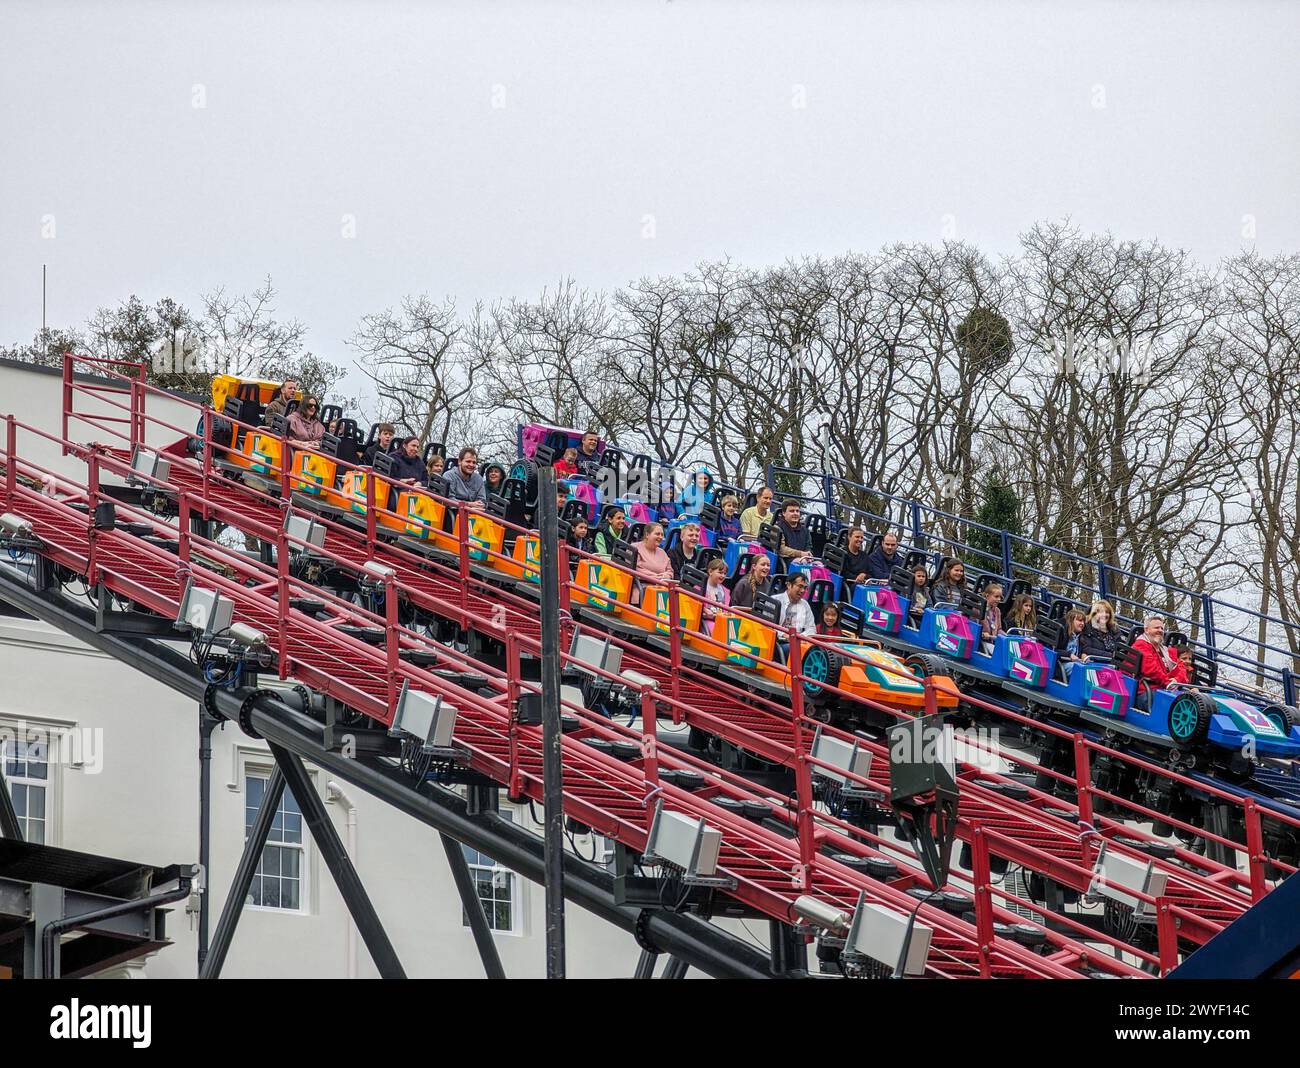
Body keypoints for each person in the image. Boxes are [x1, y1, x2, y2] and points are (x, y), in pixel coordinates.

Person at [1129, 615, 1189, 694]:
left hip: (1166, 689)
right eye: (1156, 628)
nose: (1160, 630)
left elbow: (1182, 667)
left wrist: (1176, 680)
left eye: (1162, 628)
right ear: (1146, 630)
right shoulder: (1141, 645)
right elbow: (1152, 671)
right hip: (1148, 691)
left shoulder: (1166, 650)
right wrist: (1168, 683)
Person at [776, 573, 816, 661]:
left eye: (805, 588)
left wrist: (800, 637)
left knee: (816, 652)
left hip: (799, 641)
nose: (802, 590)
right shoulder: (775, 600)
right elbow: (769, 626)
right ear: (789, 585)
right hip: (779, 642)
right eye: (800, 586)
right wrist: (785, 635)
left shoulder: (805, 604)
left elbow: (812, 629)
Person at [840, 527, 872, 595]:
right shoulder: (842, 553)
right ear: (849, 537)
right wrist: (857, 578)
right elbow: (843, 572)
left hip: (863, 585)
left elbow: (870, 573)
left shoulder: (865, 556)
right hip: (847, 586)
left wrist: (864, 575)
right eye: (857, 537)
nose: (860, 540)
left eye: (861, 537)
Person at [701, 558, 731, 626]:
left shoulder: (726, 591)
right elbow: (694, 604)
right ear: (710, 571)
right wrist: (704, 610)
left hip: (722, 620)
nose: (723, 576)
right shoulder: (700, 588)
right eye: (720, 573)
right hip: (706, 621)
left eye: (725, 573)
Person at [1059, 608, 1088, 678]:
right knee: (1080, 669)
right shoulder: (1062, 633)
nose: (1082, 623)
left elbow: (1080, 652)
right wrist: (1069, 655)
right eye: (1080, 621)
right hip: (1061, 664)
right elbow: (1055, 650)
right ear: (1071, 621)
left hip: (1075, 663)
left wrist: (1083, 655)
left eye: (1083, 621)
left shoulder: (1081, 636)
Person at [980, 581, 1004, 652]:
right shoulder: (978, 608)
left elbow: (999, 629)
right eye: (996, 596)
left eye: (1000, 597)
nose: (999, 599)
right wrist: (982, 633)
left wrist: (1006, 636)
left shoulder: (997, 610)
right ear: (987, 596)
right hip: (981, 642)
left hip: (992, 642)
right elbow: (973, 627)